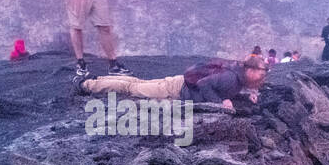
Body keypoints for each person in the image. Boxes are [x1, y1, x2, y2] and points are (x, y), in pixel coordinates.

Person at [76, 54, 268, 111]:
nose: (262, 78)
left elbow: (222, 88)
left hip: (177, 84)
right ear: (250, 70)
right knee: (132, 88)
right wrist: (220, 103)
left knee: (136, 83)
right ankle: (86, 86)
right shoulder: (231, 78)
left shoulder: (237, 75)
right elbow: (205, 85)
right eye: (261, 73)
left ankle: (98, 80)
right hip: (175, 89)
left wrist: (244, 96)